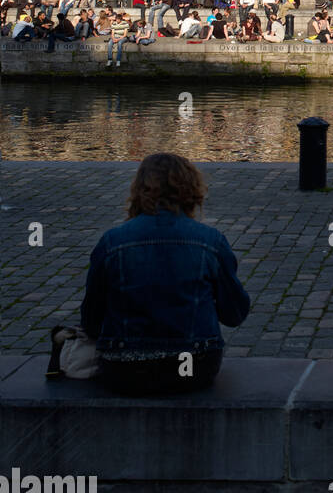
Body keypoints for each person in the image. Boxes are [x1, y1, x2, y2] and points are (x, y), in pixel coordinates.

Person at [74, 153, 250, 394]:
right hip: (193, 366)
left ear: (138, 189)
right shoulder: (211, 242)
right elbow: (235, 314)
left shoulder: (112, 242)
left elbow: (91, 319)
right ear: (192, 189)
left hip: (125, 368)